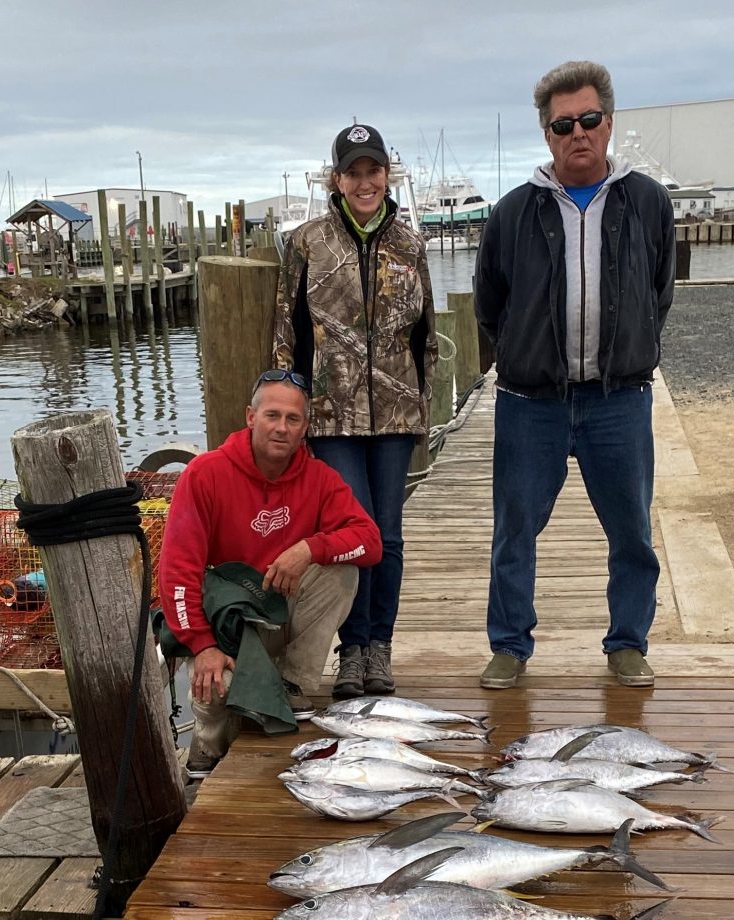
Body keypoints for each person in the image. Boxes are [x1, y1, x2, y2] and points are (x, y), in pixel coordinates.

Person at [473, 60, 675, 689]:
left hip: (620, 399)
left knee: (632, 531)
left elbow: (660, 288)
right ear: (547, 135)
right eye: (563, 125)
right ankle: (509, 646)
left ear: (608, 123)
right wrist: (524, 353)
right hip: (531, 403)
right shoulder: (511, 214)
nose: (577, 133)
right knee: (515, 529)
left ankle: (627, 643)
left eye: (589, 120)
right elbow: (489, 305)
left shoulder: (646, 202)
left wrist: (630, 348)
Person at [275, 123, 437, 699]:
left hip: (395, 414)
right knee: (353, 532)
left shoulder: (411, 245)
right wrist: (289, 411)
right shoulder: (306, 243)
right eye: (353, 172)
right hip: (332, 416)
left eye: (374, 170)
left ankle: (379, 649)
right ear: (336, 179)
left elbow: (426, 336)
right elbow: (286, 333)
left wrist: (421, 406)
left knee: (387, 536)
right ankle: (352, 648)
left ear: (387, 174)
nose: (365, 182)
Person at [157, 371, 382, 774]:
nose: (281, 427)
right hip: (228, 626)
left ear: (305, 428)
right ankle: (206, 752)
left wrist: (310, 548)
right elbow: (177, 572)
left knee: (342, 570)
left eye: (293, 419)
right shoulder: (204, 475)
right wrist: (202, 645)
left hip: (281, 611)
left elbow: (371, 541)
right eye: (272, 415)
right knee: (218, 692)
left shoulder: (319, 479)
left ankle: (292, 685)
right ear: (250, 417)